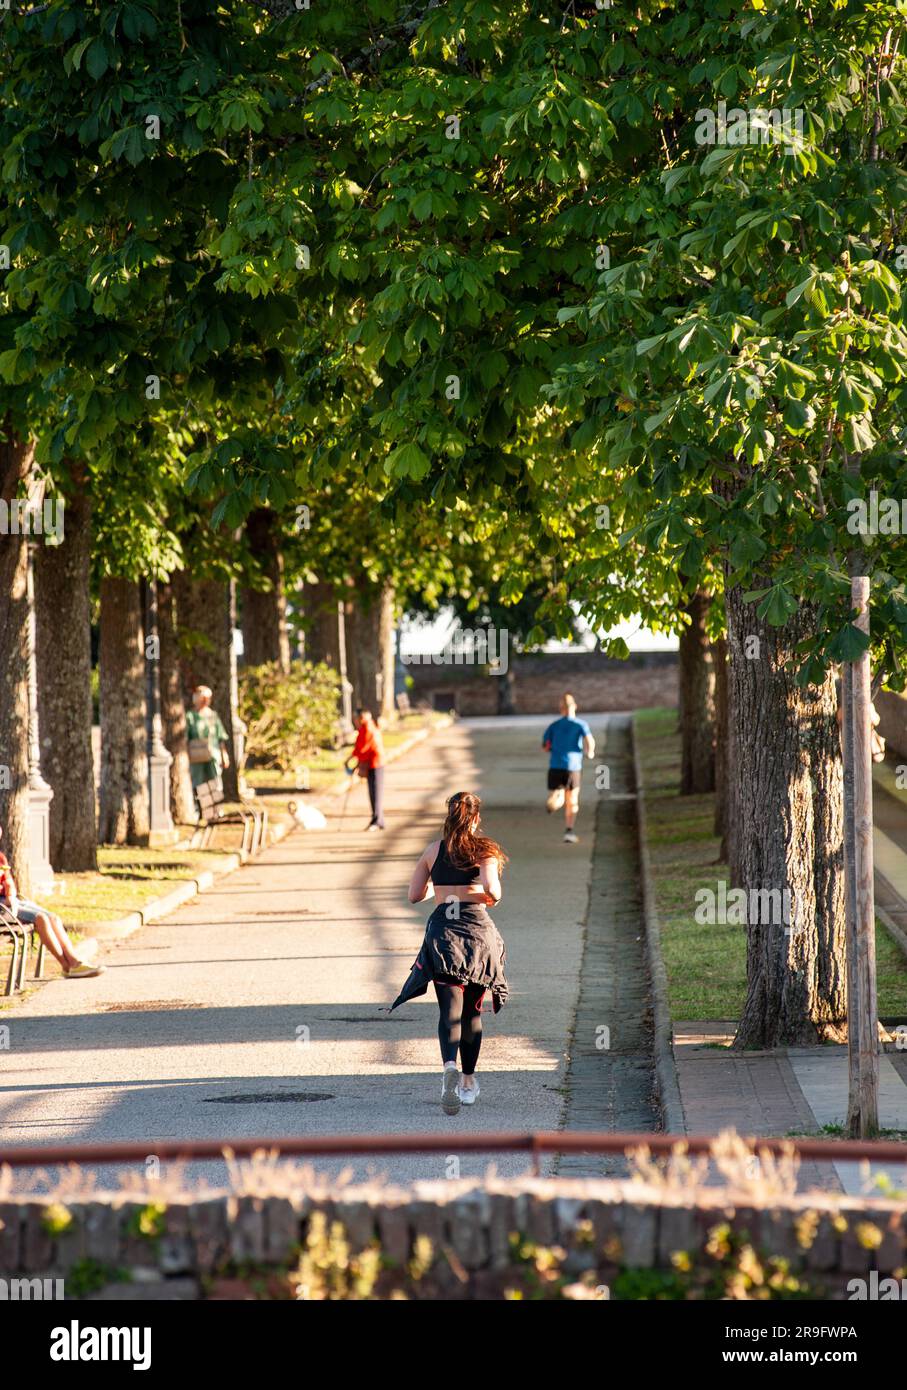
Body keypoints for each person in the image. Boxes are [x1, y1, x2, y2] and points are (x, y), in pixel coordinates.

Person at [390, 791, 509, 1115]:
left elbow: (415, 894)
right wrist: (486, 893)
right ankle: (468, 1082)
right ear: (475, 818)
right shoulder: (485, 850)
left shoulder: (433, 851)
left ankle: (447, 1067)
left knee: (448, 1012)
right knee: (471, 1012)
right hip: (475, 934)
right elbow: (492, 890)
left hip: (443, 934)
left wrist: (441, 888)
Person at [0, 828, 103, 979]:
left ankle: (74, 961)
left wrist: (10, 890)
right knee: (41, 918)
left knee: (53, 918)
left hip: (11, 902)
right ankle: (68, 965)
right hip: (2, 908)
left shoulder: (1, 858)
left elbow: (9, 881)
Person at [542, 693, 595, 844]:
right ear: (575, 707)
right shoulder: (581, 724)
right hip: (573, 767)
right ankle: (569, 831)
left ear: (561, 709)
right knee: (572, 800)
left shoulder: (554, 725)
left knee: (557, 793)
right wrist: (590, 752)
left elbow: (546, 746)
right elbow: (590, 741)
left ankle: (555, 800)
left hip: (555, 766)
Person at [345, 708, 385, 831]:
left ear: (360, 717)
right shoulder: (366, 727)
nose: (354, 721)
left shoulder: (368, 728)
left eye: (355, 718)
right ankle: (377, 820)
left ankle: (377, 821)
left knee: (375, 794)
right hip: (371, 763)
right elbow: (360, 747)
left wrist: (351, 761)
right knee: (373, 793)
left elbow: (362, 748)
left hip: (375, 763)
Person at [186, 685, 230, 795]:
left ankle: (216, 808)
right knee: (197, 784)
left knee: (215, 782)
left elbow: (220, 737)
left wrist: (224, 754)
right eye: (203, 698)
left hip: (212, 755)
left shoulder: (213, 715)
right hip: (196, 756)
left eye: (207, 698)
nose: (206, 701)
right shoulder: (190, 716)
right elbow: (186, 738)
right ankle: (199, 809)